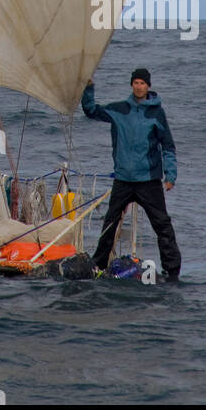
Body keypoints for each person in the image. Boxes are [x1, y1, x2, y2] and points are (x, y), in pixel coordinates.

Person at [82, 68, 181, 280]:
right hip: (124, 180)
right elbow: (90, 110)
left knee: (162, 226)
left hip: (149, 180)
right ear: (131, 85)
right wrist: (88, 86)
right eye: (135, 83)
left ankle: (172, 272)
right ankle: (97, 266)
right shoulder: (119, 109)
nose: (139, 86)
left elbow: (168, 146)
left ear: (148, 86)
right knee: (110, 224)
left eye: (142, 83)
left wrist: (170, 175)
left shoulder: (157, 113)